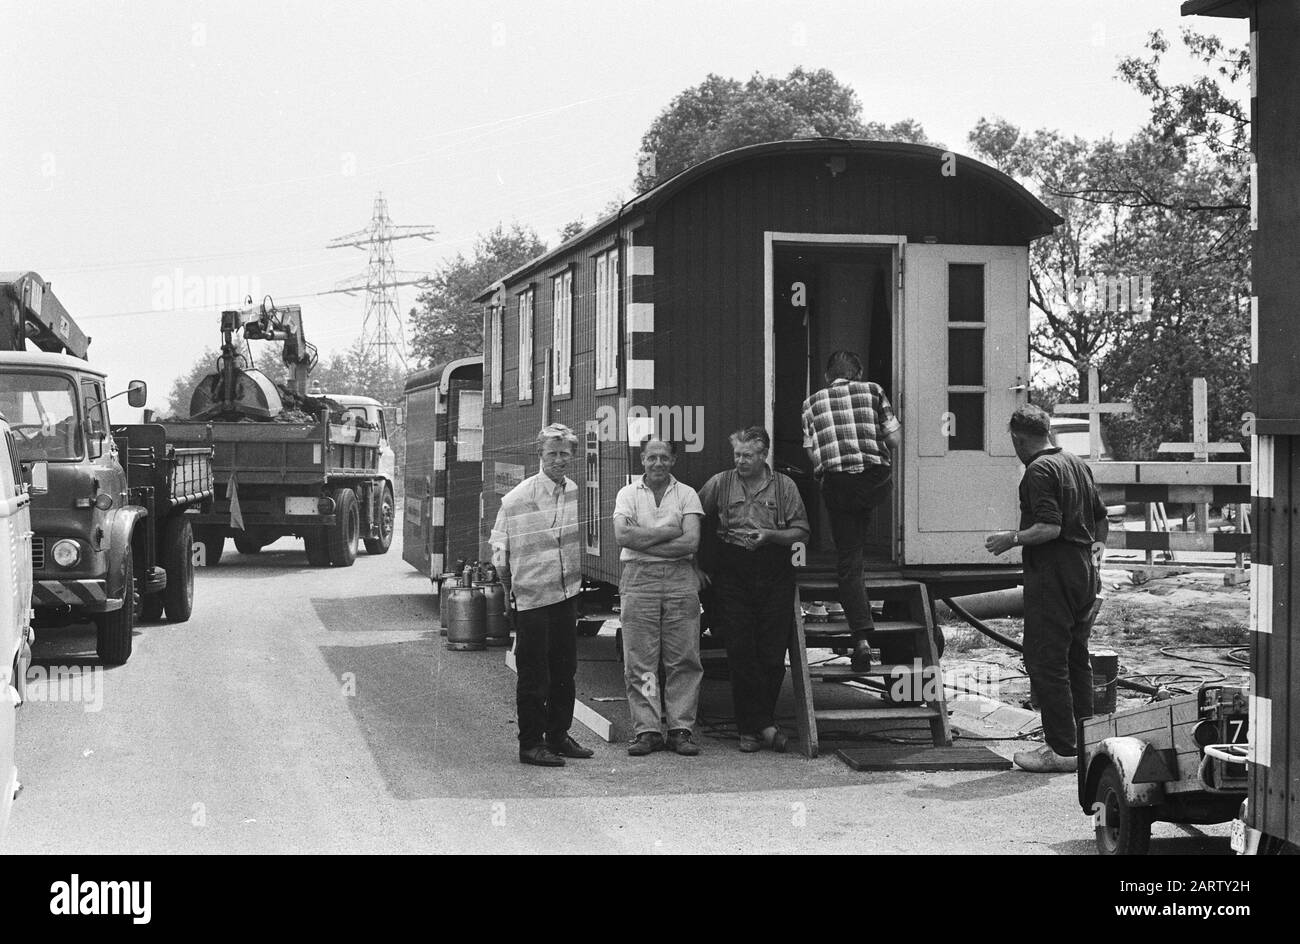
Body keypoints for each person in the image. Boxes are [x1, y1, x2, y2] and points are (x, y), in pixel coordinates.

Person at [985, 403, 1108, 773]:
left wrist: (1012, 538)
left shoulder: (1037, 471)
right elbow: (1101, 519)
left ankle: (1062, 749)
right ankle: (1086, 743)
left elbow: (1050, 527)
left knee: (1046, 661)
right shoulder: (1076, 463)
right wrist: (1095, 559)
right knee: (1076, 657)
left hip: (1053, 573)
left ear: (1018, 439)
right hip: (1083, 568)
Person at [699, 427, 810, 753]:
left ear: (764, 455)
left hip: (774, 571)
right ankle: (756, 728)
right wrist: (698, 564)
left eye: (747, 455)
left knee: (773, 653)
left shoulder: (784, 486)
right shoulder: (720, 483)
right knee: (740, 650)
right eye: (737, 454)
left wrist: (772, 536)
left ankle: (759, 724)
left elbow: (802, 532)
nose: (740, 461)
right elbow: (693, 517)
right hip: (732, 572)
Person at [490, 424, 594, 767]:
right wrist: (509, 591)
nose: (559, 460)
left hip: (565, 596)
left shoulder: (573, 490)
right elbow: (499, 552)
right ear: (540, 455)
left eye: (565, 453)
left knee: (566, 671)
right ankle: (531, 744)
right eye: (552, 453)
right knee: (535, 676)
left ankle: (558, 736)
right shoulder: (518, 497)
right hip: (533, 600)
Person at [801, 350, 900, 669]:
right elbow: (894, 440)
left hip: (839, 486)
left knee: (849, 560)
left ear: (828, 377)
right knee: (864, 510)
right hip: (875, 482)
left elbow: (811, 451)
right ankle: (873, 536)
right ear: (857, 373)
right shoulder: (873, 390)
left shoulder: (811, 402)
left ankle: (861, 640)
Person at [613, 437, 705, 757]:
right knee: (642, 660)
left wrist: (644, 541)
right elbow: (622, 536)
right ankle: (648, 730)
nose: (657, 463)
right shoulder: (627, 494)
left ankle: (681, 729)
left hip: (680, 580)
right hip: (638, 579)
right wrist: (669, 532)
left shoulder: (687, 494)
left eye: (664, 457)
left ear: (673, 461)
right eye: (651, 457)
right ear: (642, 460)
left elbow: (691, 542)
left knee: (683, 658)